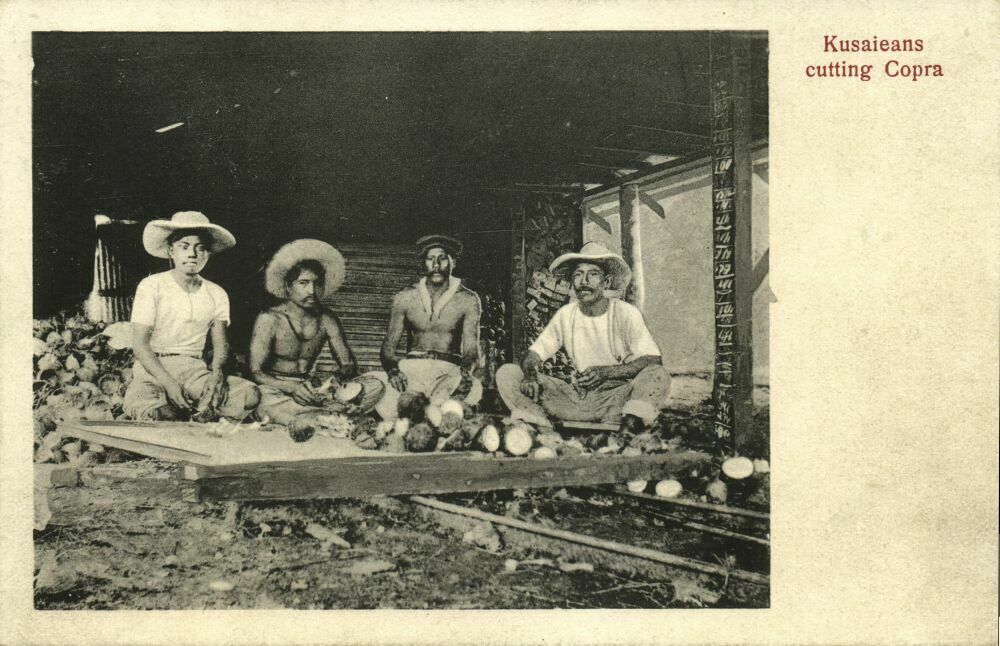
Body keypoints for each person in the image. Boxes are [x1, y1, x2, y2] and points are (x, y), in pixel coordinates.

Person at [495, 241, 670, 433]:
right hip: (576, 399)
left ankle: (628, 427)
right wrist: (530, 375)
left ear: (607, 282)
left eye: (593, 274)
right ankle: (541, 426)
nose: (584, 281)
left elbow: (654, 358)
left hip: (616, 399)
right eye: (578, 274)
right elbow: (533, 355)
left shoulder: (625, 312)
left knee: (658, 375)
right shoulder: (566, 314)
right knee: (508, 372)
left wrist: (608, 373)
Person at [123, 211, 261, 421]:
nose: (192, 254)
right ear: (171, 250)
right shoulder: (152, 286)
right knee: (161, 416)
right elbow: (140, 346)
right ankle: (184, 411)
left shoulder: (216, 293)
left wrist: (217, 376)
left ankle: (201, 413)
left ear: (208, 254)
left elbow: (221, 346)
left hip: (193, 370)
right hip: (153, 369)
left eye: (200, 248)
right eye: (184, 246)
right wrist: (170, 385)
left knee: (249, 395)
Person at [248, 239, 366, 427]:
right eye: (303, 283)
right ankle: (320, 417)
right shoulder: (270, 318)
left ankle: (316, 416)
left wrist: (335, 379)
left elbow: (348, 364)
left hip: (312, 388)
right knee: (260, 402)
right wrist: (291, 387)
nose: (311, 291)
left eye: (317, 284)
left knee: (375, 386)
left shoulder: (327, 319)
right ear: (288, 286)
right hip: (276, 389)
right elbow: (256, 372)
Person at [368, 234, 483, 420]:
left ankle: (426, 414)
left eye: (442, 258)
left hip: (448, 370)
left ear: (453, 261)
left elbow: (471, 351)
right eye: (430, 259)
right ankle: (426, 413)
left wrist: (466, 373)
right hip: (412, 369)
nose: (436, 265)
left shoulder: (468, 300)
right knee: (374, 384)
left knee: (474, 387)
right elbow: (387, 350)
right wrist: (393, 371)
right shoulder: (404, 297)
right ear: (423, 263)